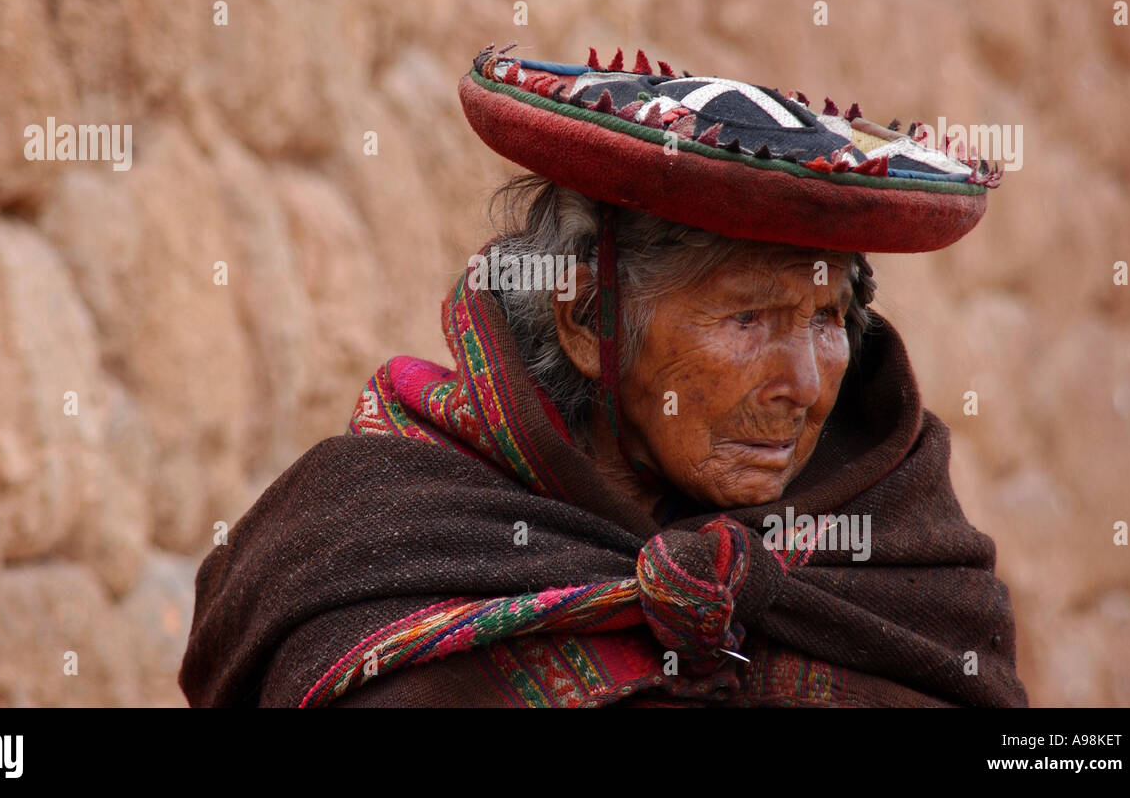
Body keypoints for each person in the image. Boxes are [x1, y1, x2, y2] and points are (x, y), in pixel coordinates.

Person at [179, 42, 1025, 707]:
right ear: (587, 320)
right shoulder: (371, 541)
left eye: (827, 318)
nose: (803, 382)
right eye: (749, 319)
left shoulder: (903, 568)